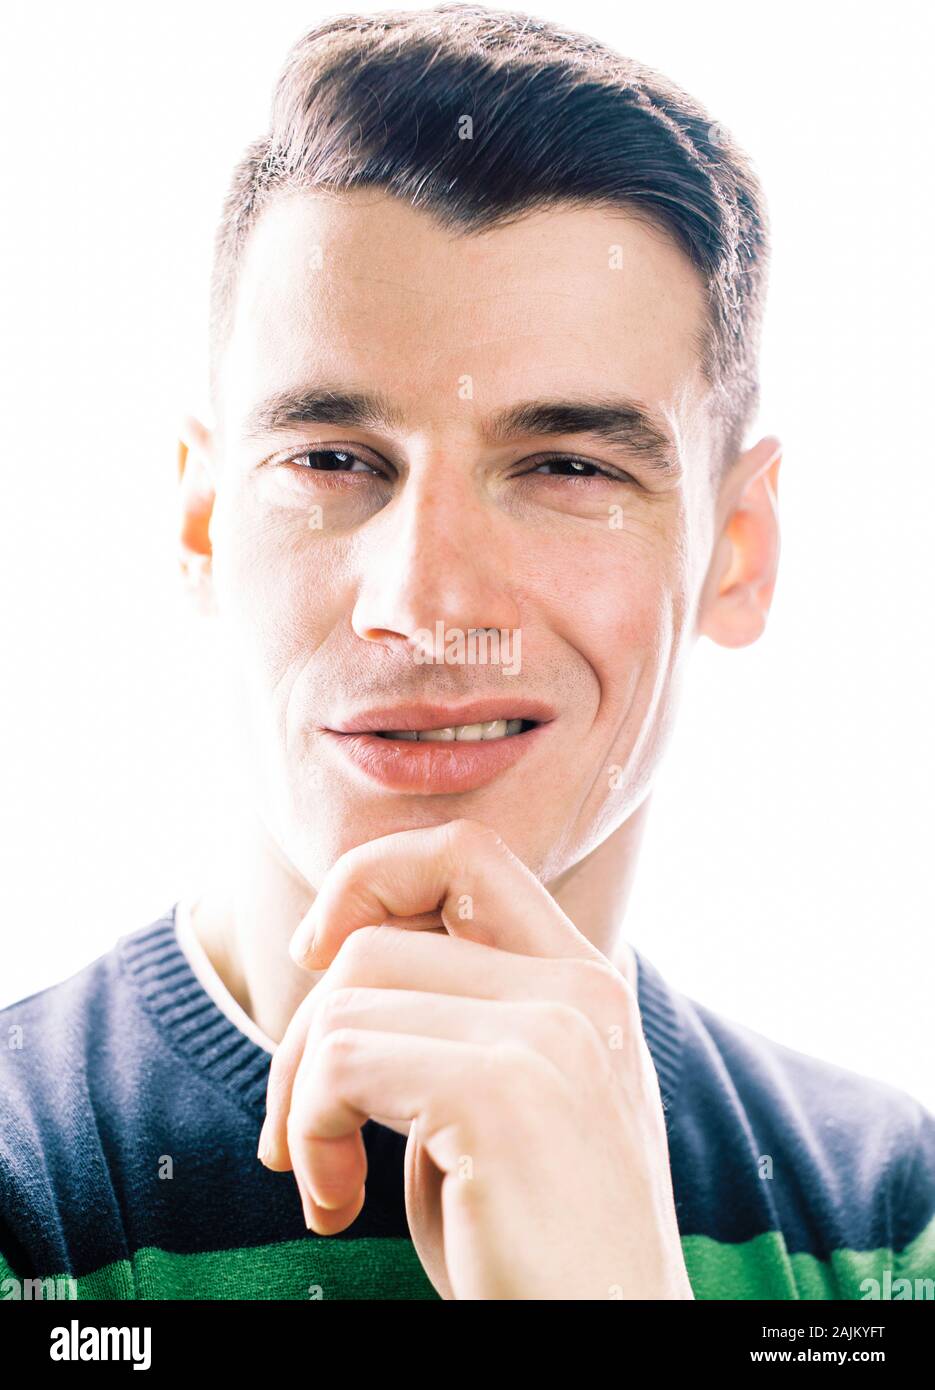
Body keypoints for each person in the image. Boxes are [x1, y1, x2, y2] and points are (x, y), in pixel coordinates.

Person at [1, 2, 932, 1302]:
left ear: (739, 547)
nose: (425, 603)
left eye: (564, 465)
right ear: (204, 522)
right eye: (331, 460)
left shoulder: (896, 1230)